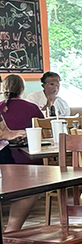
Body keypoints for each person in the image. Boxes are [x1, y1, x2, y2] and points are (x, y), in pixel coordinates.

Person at [0, 74, 45, 229]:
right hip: (20, 159)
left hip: (8, 155)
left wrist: (9, 134)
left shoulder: (1, 107)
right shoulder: (31, 107)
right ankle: (11, 231)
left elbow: (4, 130)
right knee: (30, 187)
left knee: (29, 188)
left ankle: (11, 232)